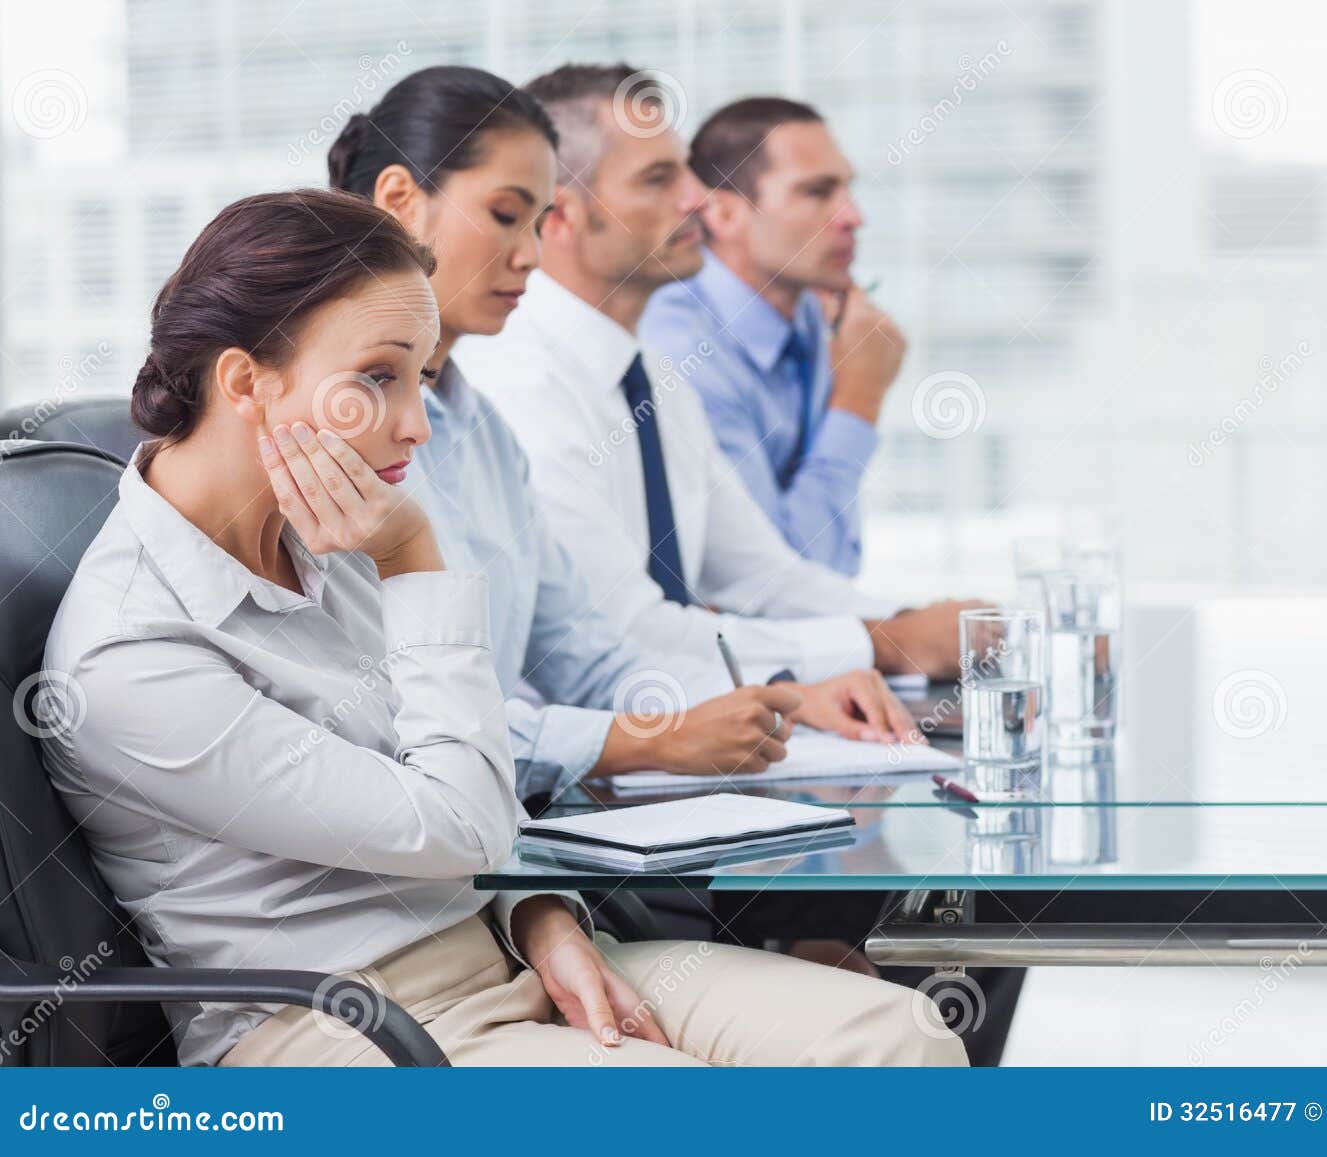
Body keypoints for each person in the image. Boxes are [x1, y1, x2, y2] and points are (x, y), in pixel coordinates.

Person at [38, 189, 966, 1068]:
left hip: (504, 947)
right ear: (246, 380)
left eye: (421, 378)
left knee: (895, 1037)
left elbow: (479, 786)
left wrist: (541, 917)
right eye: (377, 377)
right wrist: (413, 564)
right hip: (334, 1029)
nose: (415, 425)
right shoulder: (132, 654)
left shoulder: (321, 540)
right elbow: (458, 822)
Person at [325, 66, 921, 806]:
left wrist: (783, 695)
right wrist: (647, 739)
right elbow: (383, 726)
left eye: (535, 222)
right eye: (507, 215)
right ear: (399, 202)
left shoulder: (484, 431)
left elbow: (586, 650)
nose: (530, 256)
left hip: (514, 823)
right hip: (458, 836)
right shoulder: (337, 430)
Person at [453, 64, 974, 686]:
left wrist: (938, 626)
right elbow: (626, 633)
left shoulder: (653, 375)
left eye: (687, 171)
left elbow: (761, 575)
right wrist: (882, 643)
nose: (698, 198)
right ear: (560, 216)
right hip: (575, 766)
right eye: (657, 178)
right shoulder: (519, 382)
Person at [641, 97, 903, 577]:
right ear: (721, 215)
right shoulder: (683, 352)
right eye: (817, 193)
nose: (853, 216)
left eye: (847, 189)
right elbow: (777, 581)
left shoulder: (814, 317)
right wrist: (859, 399)